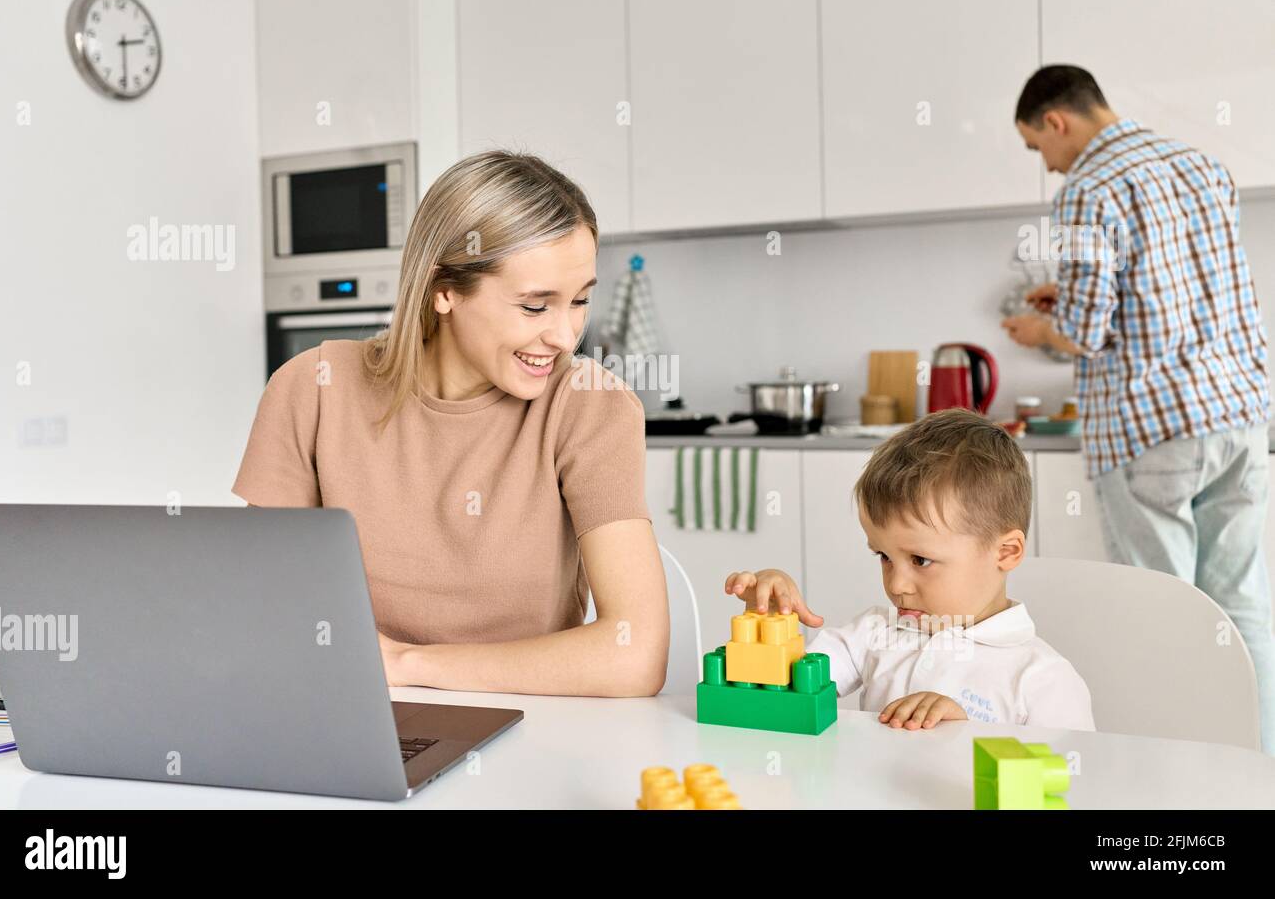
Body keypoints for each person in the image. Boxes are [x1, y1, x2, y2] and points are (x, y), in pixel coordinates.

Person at [232, 150, 669, 697]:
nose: (565, 336)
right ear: (444, 290)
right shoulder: (312, 388)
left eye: (579, 300)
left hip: (535, 725)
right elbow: (259, 605)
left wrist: (410, 665)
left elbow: (636, 653)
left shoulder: (588, 406)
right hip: (347, 711)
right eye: (536, 307)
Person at [1002, 64, 1274, 753]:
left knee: (1160, 614)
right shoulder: (1201, 165)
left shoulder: (1089, 188)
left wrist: (1043, 330)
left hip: (1153, 430)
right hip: (1239, 417)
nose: (1049, 166)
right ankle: (1255, 766)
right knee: (1239, 608)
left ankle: (1173, 774)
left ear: (1056, 123)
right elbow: (1171, 299)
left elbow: (1088, 335)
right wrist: (1068, 300)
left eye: (1040, 149)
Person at [725, 408, 1095, 732]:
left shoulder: (1042, 678)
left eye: (920, 560)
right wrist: (772, 623)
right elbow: (788, 693)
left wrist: (967, 732)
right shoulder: (872, 634)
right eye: (884, 556)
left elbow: (1073, 783)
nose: (897, 584)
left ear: (1006, 552)